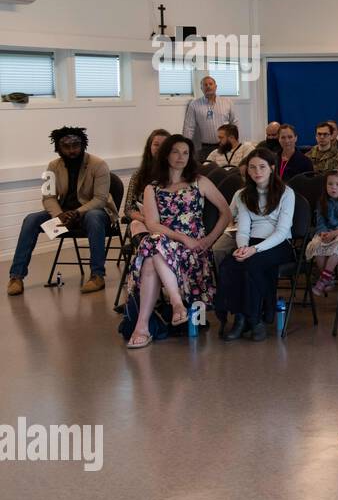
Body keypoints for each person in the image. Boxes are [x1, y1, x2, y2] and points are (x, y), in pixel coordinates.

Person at [124, 135, 232, 347]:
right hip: (170, 242)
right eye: (175, 152)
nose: (181, 157)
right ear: (165, 155)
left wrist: (208, 241)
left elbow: (226, 213)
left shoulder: (199, 182)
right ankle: (176, 304)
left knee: (149, 254)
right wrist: (182, 238)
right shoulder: (152, 188)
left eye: (185, 152)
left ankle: (142, 327)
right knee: (154, 246)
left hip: (194, 251)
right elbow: (153, 224)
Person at [8, 126, 118, 296]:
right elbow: (48, 197)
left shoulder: (99, 165)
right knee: (31, 219)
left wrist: (77, 212)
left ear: (83, 145)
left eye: (76, 145)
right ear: (58, 148)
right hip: (64, 216)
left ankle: (97, 275)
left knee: (94, 217)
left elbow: (100, 199)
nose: (72, 150)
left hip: (92, 213)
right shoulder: (52, 166)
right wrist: (59, 214)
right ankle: (16, 277)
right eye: (66, 146)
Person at [215, 148, 296, 343]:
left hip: (279, 244)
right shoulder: (243, 194)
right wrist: (243, 247)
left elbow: (282, 231)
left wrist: (254, 250)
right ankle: (245, 318)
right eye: (252, 168)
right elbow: (243, 229)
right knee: (229, 264)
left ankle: (249, 319)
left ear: (272, 168)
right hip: (251, 242)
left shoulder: (286, 193)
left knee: (250, 266)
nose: (257, 171)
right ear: (247, 171)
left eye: (262, 167)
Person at [307, 170, 338, 298]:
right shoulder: (322, 201)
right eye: (330, 184)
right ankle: (328, 277)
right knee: (317, 245)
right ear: (325, 186)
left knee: (337, 246)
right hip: (326, 231)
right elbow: (320, 221)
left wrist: (335, 233)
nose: (334, 187)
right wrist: (323, 233)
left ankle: (322, 280)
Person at [123, 129, 172, 242]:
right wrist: (146, 220)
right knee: (136, 225)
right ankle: (147, 255)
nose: (160, 148)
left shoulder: (176, 174)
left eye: (164, 145)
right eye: (156, 144)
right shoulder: (138, 175)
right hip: (143, 221)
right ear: (149, 147)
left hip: (169, 222)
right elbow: (128, 208)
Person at [181, 75, 237, 160]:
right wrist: (184, 146)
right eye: (205, 85)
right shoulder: (194, 104)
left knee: (226, 169)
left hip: (225, 145)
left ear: (215, 87)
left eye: (210, 84)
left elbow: (234, 122)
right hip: (205, 148)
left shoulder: (227, 102)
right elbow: (189, 127)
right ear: (201, 89)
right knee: (207, 170)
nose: (208, 86)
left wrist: (235, 142)